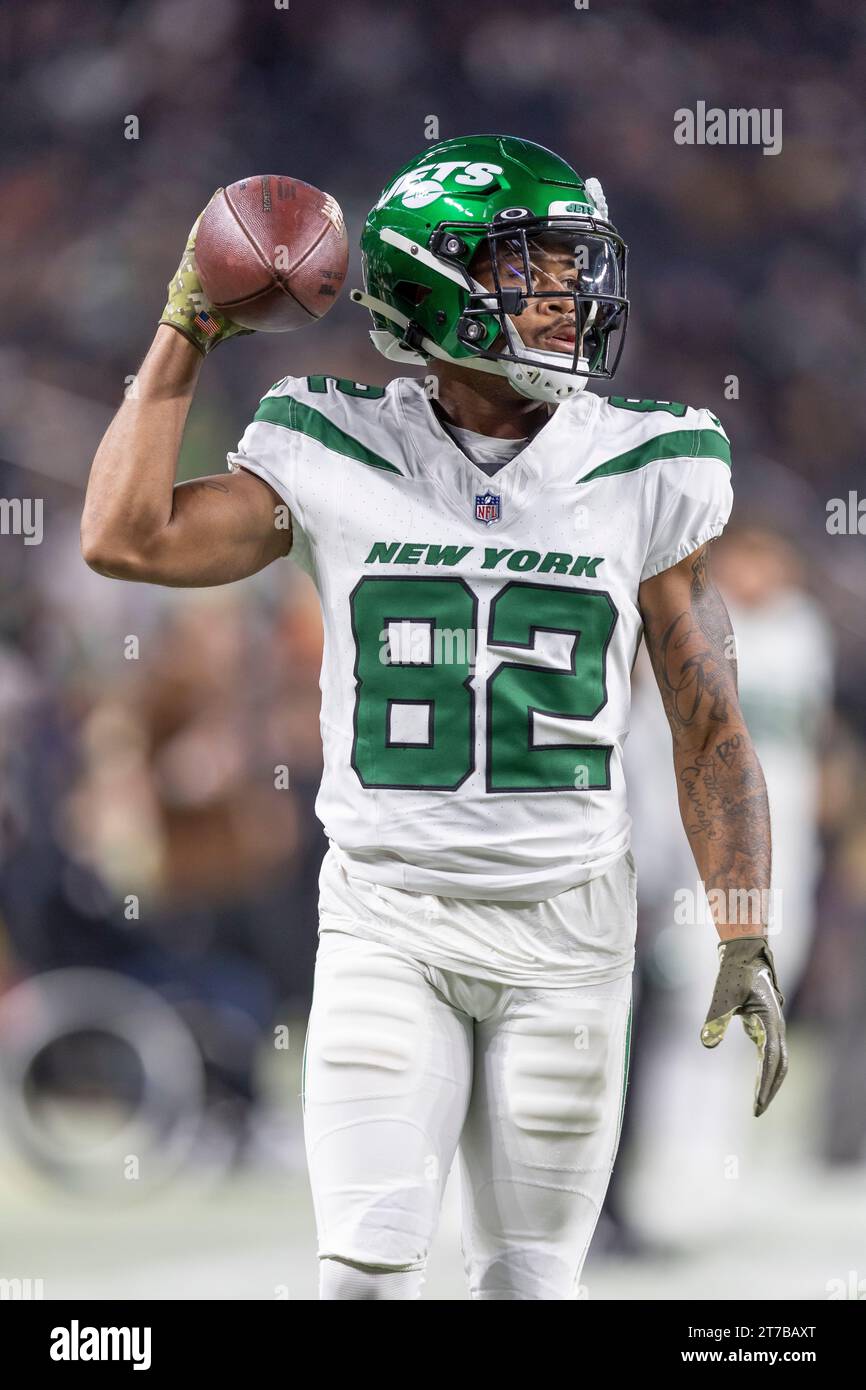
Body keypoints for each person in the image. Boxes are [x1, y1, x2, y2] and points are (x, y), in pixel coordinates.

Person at [81, 134, 787, 1300]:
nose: (567, 294)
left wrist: (743, 927)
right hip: (387, 919)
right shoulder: (328, 439)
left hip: (569, 934)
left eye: (572, 265)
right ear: (433, 285)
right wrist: (188, 326)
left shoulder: (648, 462)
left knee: (525, 1285)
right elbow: (124, 534)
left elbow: (707, 720)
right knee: (361, 1278)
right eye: (532, 266)